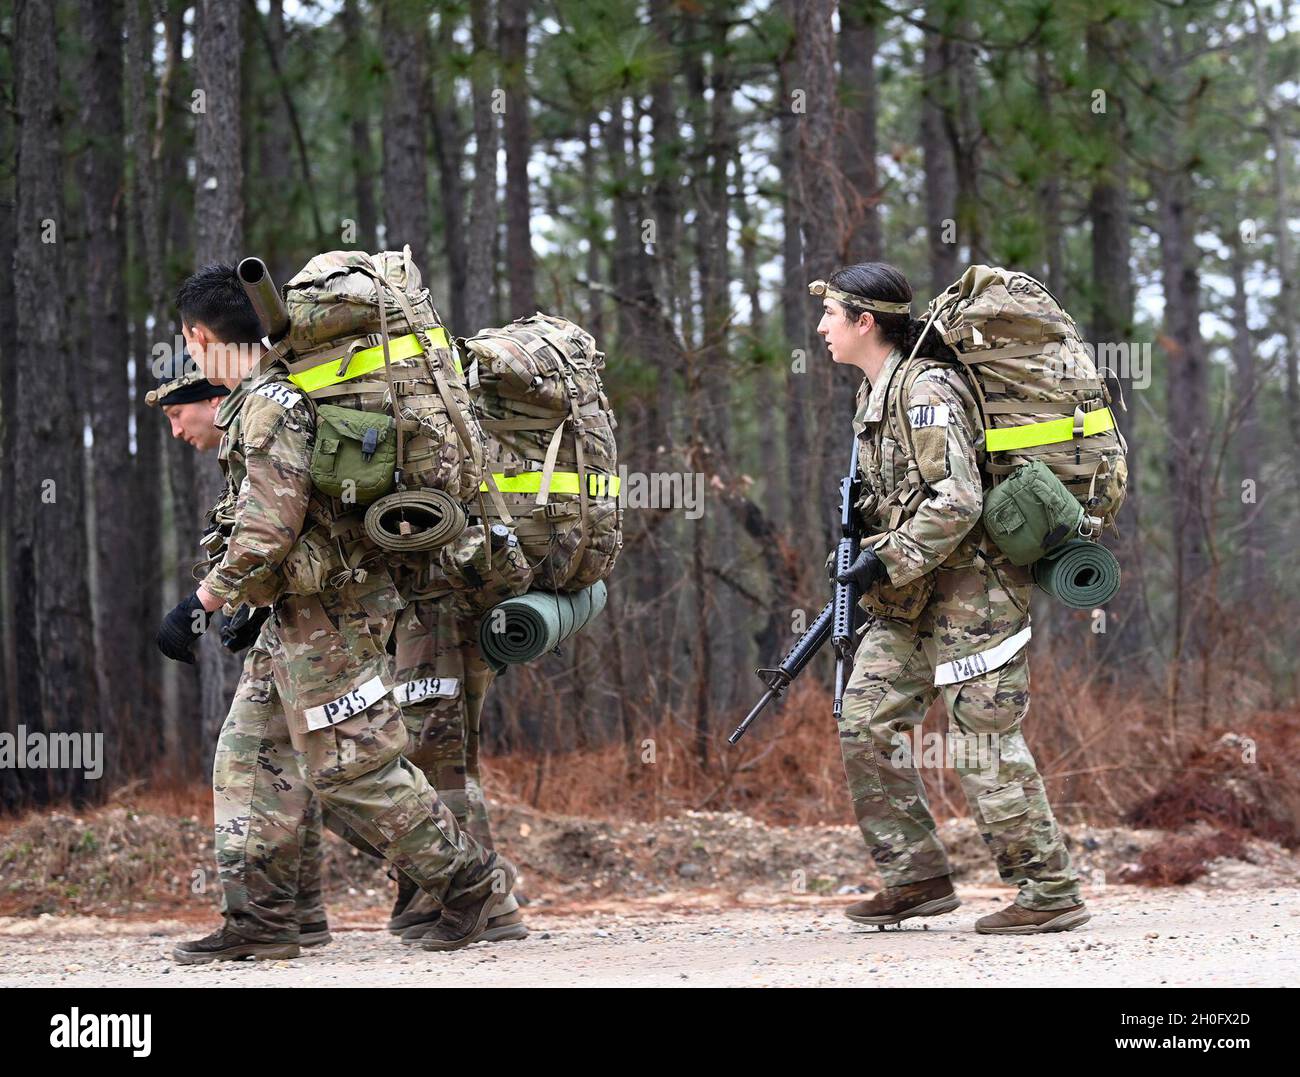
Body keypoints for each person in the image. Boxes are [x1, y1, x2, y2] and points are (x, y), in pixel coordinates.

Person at [156, 263, 515, 956]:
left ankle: (469, 885)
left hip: (331, 620)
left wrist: (199, 603)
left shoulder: (268, 403)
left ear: (199, 336)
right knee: (251, 756)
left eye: (187, 340)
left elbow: (268, 528)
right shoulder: (263, 399)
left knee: (353, 769)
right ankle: (261, 920)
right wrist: (254, 606)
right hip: (294, 615)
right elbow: (293, 521)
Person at [812, 263, 1089, 935]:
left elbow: (958, 498)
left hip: (974, 595)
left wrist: (887, 556)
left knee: (980, 742)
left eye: (831, 316)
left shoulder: (925, 391)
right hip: (908, 598)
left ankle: (1048, 889)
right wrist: (859, 555)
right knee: (864, 718)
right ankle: (916, 877)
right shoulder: (874, 394)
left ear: (864, 322)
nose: (822, 328)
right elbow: (894, 500)